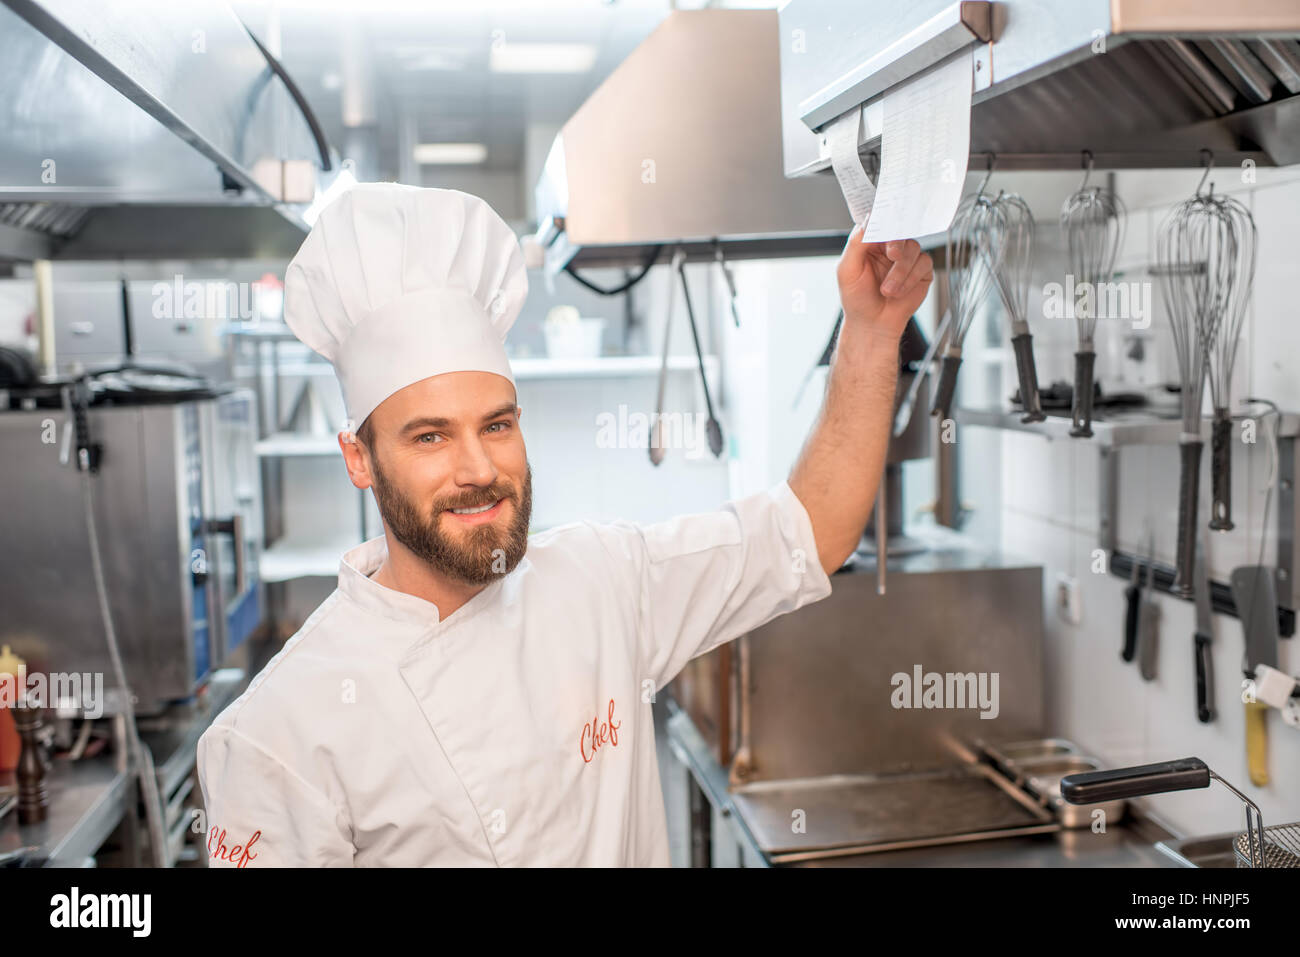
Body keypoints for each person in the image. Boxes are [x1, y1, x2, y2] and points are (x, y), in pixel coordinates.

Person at [196, 183, 932, 866]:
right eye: (430, 436)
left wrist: (873, 329)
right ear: (359, 458)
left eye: (497, 424)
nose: (478, 467)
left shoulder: (601, 581)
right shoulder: (276, 736)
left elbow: (808, 532)